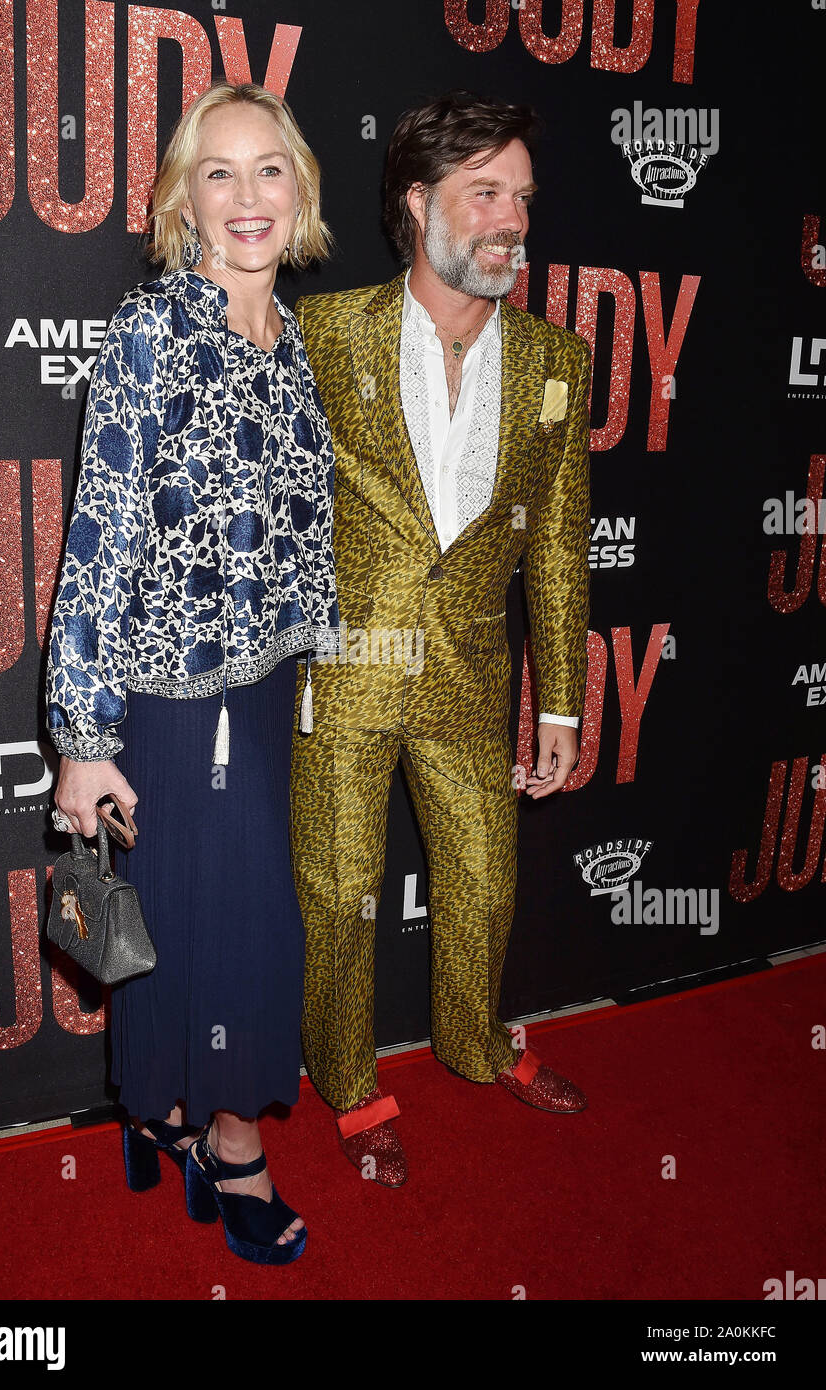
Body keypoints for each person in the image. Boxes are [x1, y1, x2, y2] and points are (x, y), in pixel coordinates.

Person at [45, 82, 338, 1261]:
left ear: (301, 191)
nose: (248, 196)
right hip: (173, 700)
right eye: (218, 172)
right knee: (243, 932)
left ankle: (159, 1115)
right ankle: (232, 1145)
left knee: (189, 924)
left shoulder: (291, 338)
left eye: (270, 169)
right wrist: (80, 734)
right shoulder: (154, 330)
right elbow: (100, 531)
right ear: (185, 200)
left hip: (263, 693)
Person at [289, 90, 591, 1187]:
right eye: (485, 194)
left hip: (470, 674)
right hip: (347, 671)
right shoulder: (323, 333)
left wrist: (560, 701)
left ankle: (475, 1042)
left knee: (483, 887)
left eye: (521, 196)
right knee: (338, 891)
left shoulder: (559, 360)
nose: (512, 218)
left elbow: (558, 545)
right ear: (419, 206)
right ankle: (350, 1081)